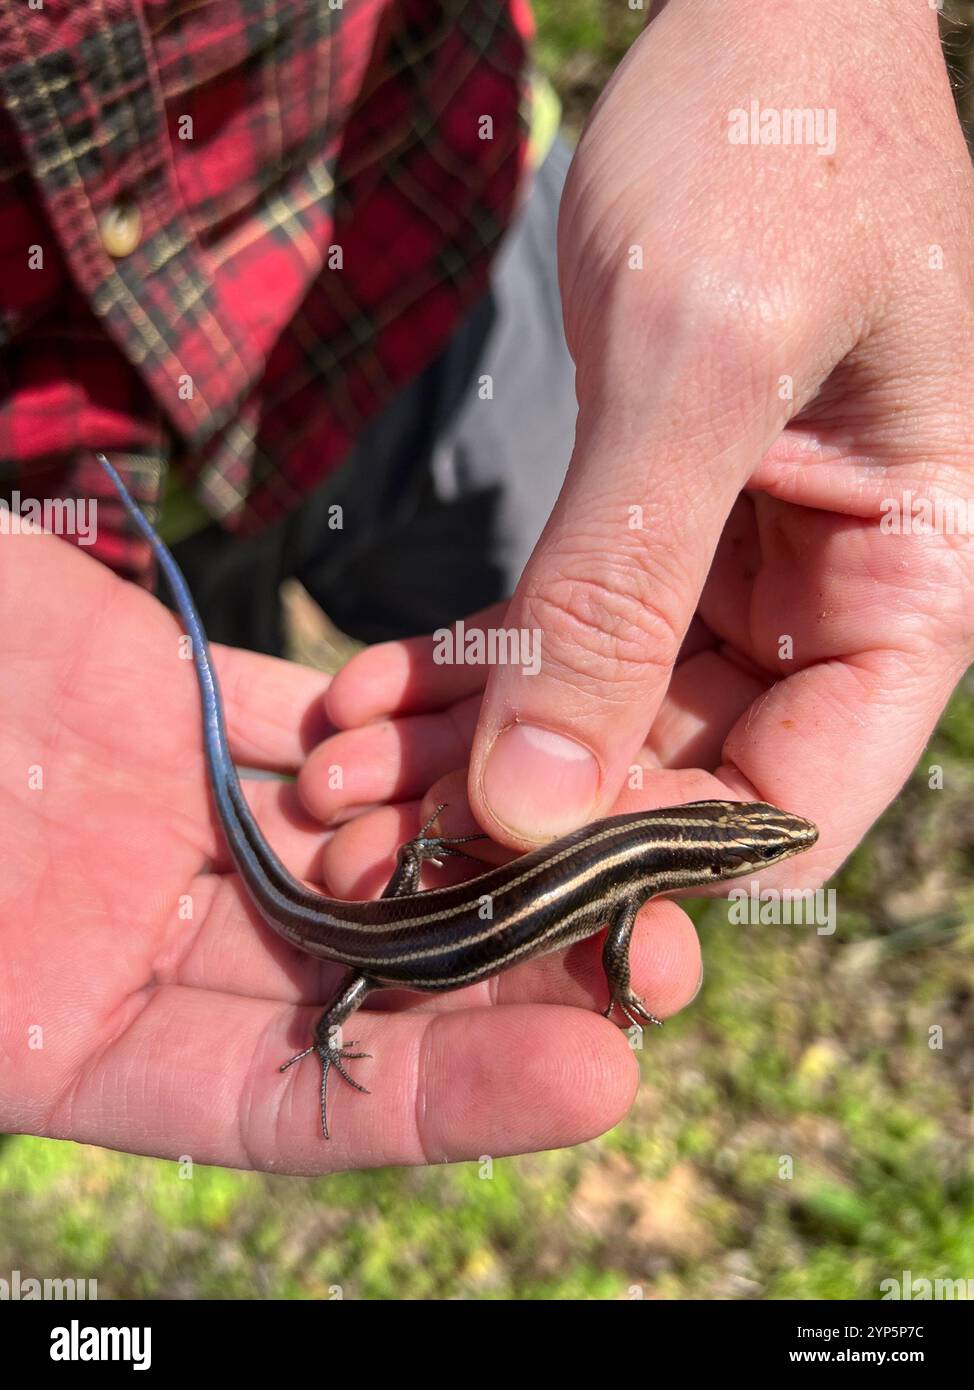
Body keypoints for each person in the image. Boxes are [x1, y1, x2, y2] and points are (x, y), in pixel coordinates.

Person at [1, 0, 973, 1173]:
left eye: (743, 838)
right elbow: (613, 959)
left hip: (413, 259)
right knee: (318, 909)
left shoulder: (632, 840)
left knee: (309, 783)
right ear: (697, 846)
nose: (749, 838)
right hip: (67, 472)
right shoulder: (624, 874)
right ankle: (317, 997)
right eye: (742, 840)